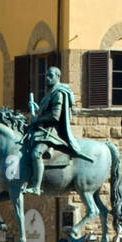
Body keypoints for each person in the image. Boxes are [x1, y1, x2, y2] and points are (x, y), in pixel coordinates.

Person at [21, 66, 91, 195]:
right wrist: (36, 109)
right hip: (43, 129)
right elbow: (46, 111)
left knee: (36, 154)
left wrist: (37, 119)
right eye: (46, 76)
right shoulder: (50, 92)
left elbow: (55, 116)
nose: (47, 78)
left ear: (58, 77)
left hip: (51, 132)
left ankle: (36, 187)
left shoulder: (58, 93)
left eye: (50, 76)